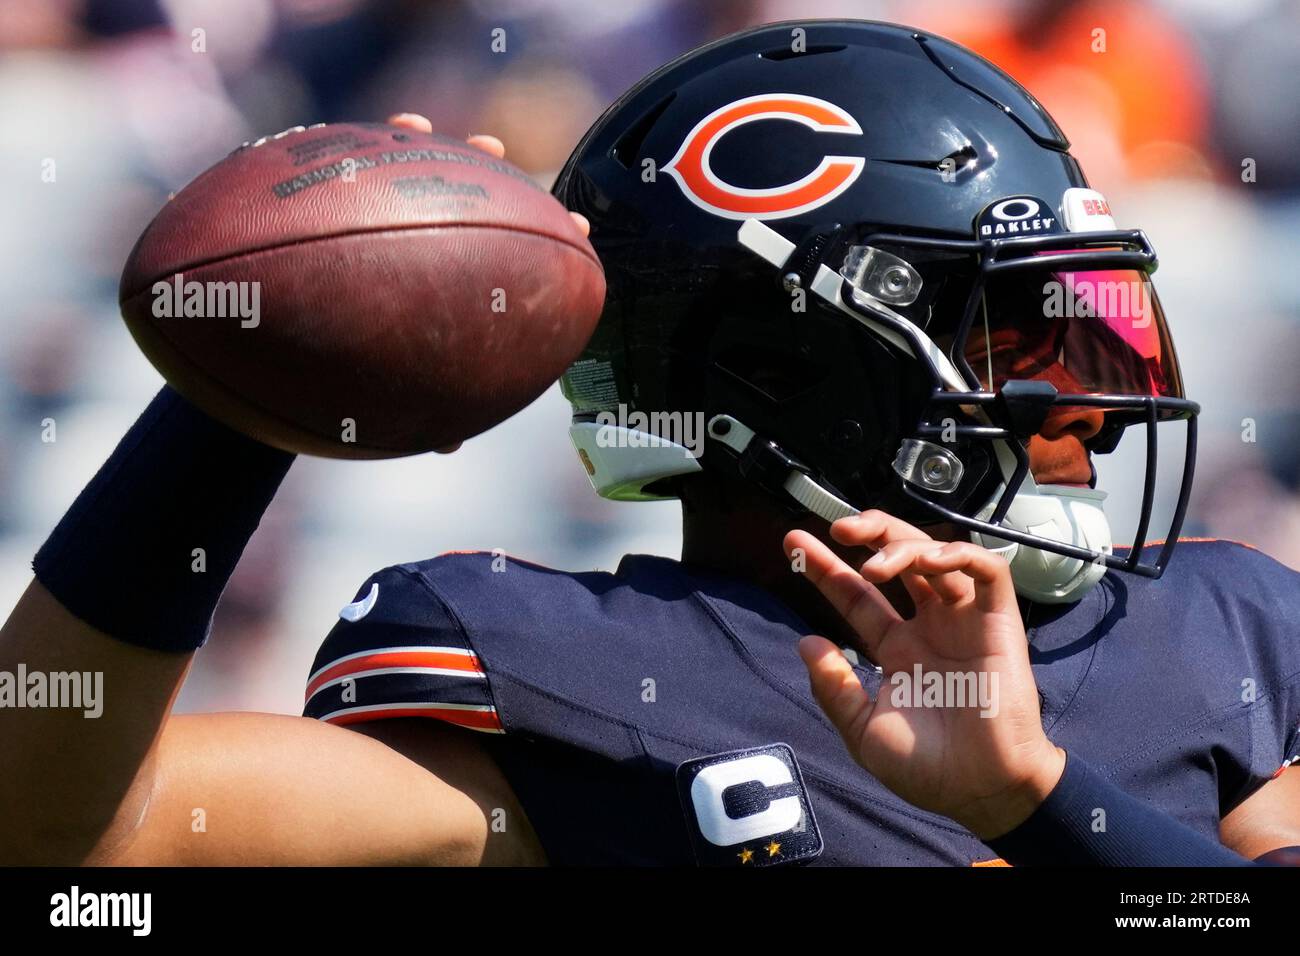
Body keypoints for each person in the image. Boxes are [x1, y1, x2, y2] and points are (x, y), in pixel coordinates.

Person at [3, 21, 1298, 867]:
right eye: (1025, 338)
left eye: (1099, 326)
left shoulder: (1225, 629)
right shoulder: (586, 685)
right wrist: (241, 396)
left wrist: (1037, 799)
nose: (1089, 400)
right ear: (794, 370)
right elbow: (67, 845)